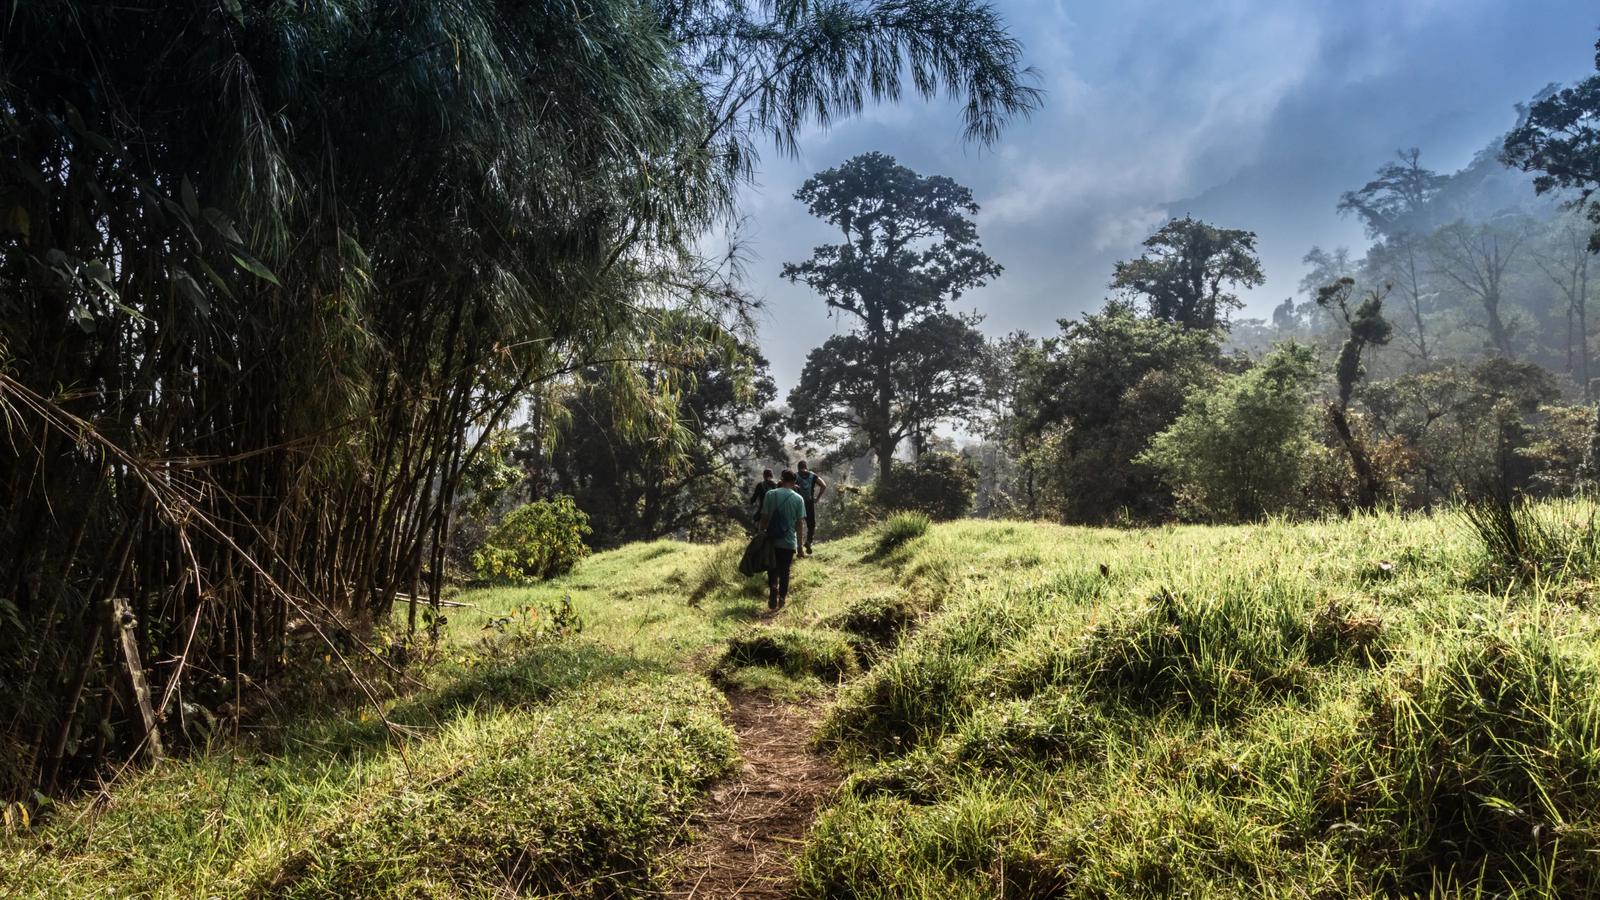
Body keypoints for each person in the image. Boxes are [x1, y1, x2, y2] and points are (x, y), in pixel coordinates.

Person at [757, 470, 807, 609]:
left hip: (771, 539)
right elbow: (799, 524)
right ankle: (782, 599)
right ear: (794, 482)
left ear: (781, 479)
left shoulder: (770, 494)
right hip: (788, 541)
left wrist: (761, 534)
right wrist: (800, 546)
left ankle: (773, 586)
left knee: (772, 567)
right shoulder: (798, 499)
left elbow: (764, 518)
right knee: (785, 571)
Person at [793, 460, 827, 556]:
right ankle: (808, 541)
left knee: (797, 524)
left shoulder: (795, 475)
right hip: (809, 503)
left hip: (798, 503)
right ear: (806, 467)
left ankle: (797, 547)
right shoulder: (812, 475)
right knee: (811, 525)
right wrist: (817, 498)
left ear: (798, 468)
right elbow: (823, 485)